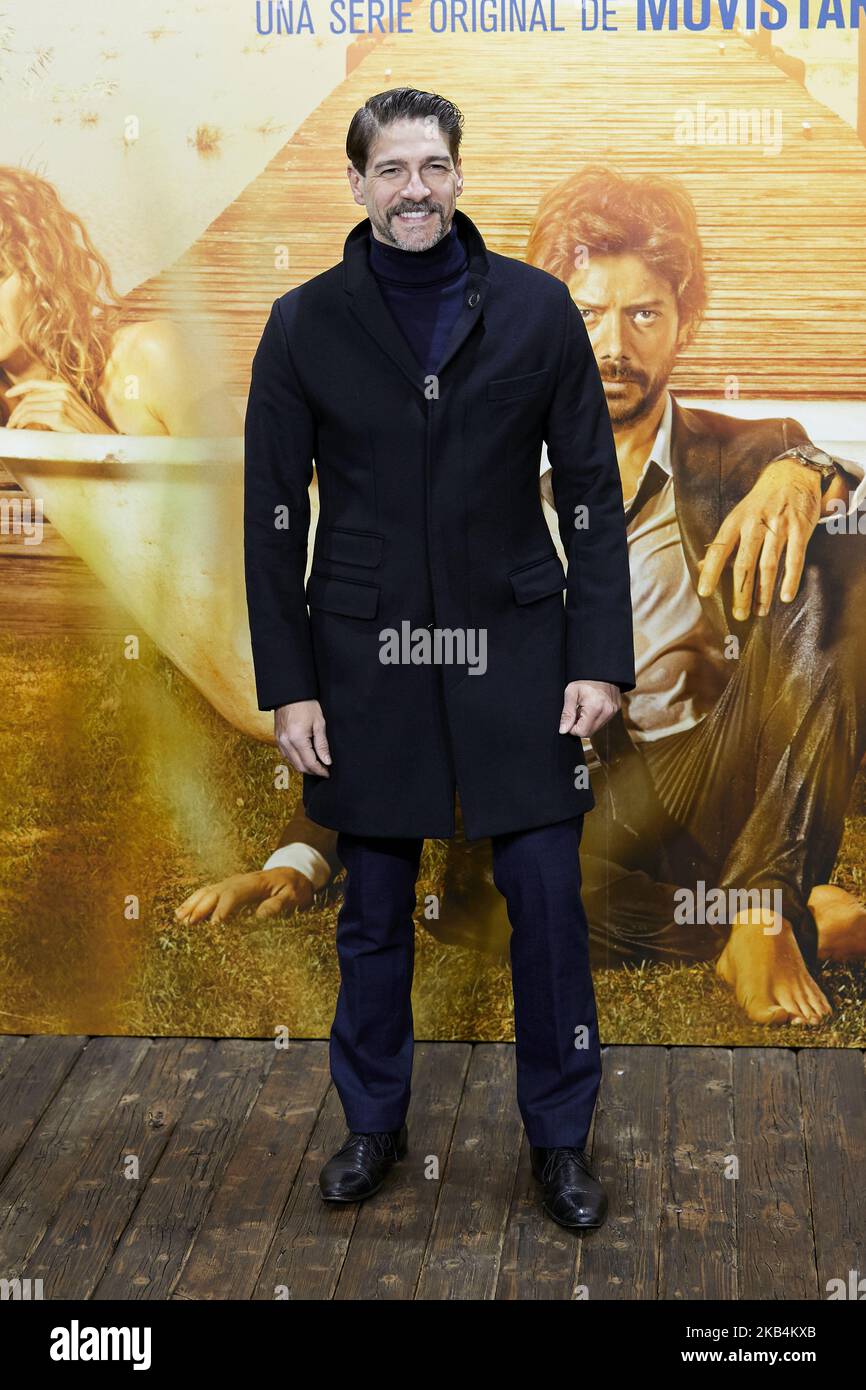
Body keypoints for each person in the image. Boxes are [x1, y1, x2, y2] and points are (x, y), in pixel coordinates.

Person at [243, 89, 635, 1231]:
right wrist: (290, 682)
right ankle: (373, 1124)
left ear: (458, 176)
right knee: (369, 910)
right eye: (391, 169)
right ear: (356, 185)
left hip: (518, 650)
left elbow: (595, 505)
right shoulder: (301, 323)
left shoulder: (535, 309)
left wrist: (598, 660)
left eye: (433, 166)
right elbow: (274, 513)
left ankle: (559, 1141)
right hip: (360, 660)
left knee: (548, 906)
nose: (414, 187)